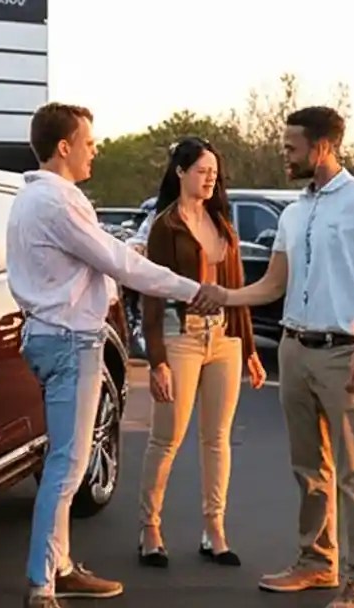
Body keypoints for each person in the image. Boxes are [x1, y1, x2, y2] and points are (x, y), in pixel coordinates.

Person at [6, 102, 227, 608]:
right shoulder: (59, 202)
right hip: (70, 341)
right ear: (64, 147)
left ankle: (59, 566)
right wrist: (194, 289)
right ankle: (42, 584)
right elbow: (121, 265)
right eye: (88, 142)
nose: (94, 151)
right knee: (67, 467)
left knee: (66, 461)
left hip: (46, 336)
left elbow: (98, 253)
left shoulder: (29, 199)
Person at [224, 106, 354, 608]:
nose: (284, 154)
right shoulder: (293, 212)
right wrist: (221, 295)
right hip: (294, 351)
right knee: (308, 468)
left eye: (291, 147)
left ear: (322, 145)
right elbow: (273, 284)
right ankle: (316, 563)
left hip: (344, 352)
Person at [135, 137, 268, 570]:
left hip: (224, 341)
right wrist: (156, 360)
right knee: (167, 438)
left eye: (214, 172)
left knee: (216, 440)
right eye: (201, 171)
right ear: (180, 172)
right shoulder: (165, 226)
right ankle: (150, 528)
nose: (210, 179)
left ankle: (215, 529)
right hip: (181, 337)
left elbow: (237, 290)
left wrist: (248, 348)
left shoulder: (222, 222)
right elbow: (150, 297)